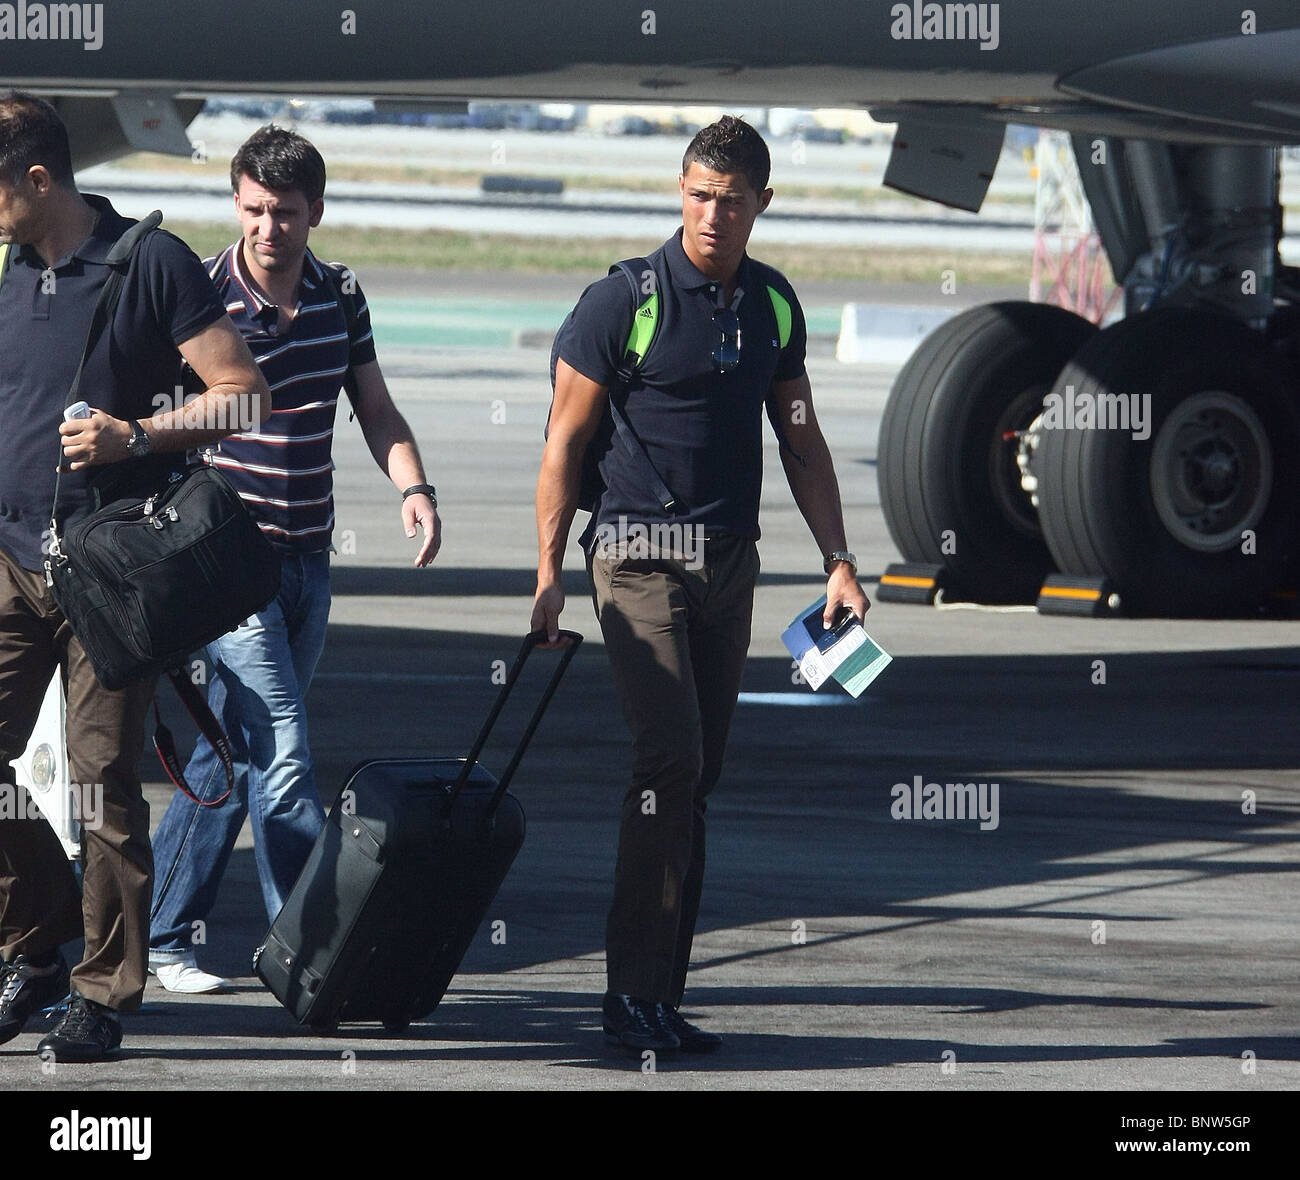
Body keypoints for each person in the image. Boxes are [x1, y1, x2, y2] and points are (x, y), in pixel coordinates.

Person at [532, 116, 869, 1053]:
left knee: (697, 780)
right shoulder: (625, 300)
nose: (712, 214)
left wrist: (839, 559)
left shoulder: (772, 306)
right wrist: (550, 571)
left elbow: (800, 439)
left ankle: (661, 996)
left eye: (731, 199)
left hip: (729, 564)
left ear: (763, 203)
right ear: (681, 193)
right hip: (635, 556)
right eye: (698, 195)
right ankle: (628, 992)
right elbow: (563, 442)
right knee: (668, 761)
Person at [0, 92, 271, 1061]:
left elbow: (244, 396)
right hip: (10, 560)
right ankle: (35, 945)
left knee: (100, 783)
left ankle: (103, 989)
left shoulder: (149, 262)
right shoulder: (10, 267)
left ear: (38, 180)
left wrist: (137, 435)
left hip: (107, 571)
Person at [147, 125, 441, 993]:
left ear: (316, 211)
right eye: (252, 210)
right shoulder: (198, 293)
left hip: (308, 555)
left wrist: (414, 490)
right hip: (226, 565)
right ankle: (311, 955)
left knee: (235, 753)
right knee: (283, 753)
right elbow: (152, 412)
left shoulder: (339, 295)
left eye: (283, 212)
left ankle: (161, 933)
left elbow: (376, 410)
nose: (266, 228)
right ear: (236, 204)